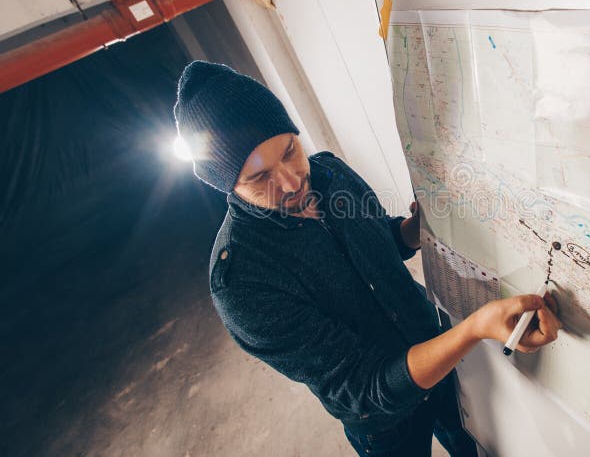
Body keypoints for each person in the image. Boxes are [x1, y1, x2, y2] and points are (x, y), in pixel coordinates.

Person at [173, 61, 561, 456]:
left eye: (290, 151)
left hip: (441, 355)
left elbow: (379, 246)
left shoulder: (329, 173)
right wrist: (473, 329)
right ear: (227, 185)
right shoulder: (241, 282)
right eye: (260, 177)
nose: (291, 181)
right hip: (386, 424)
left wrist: (415, 229)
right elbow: (362, 387)